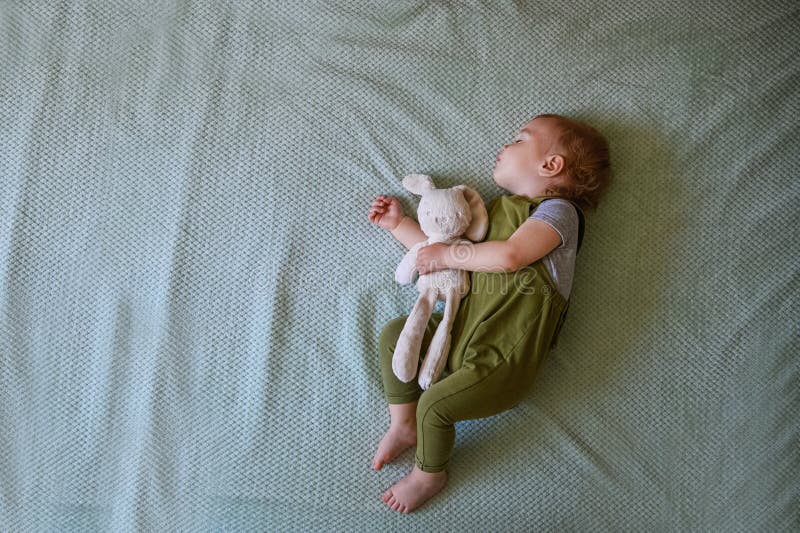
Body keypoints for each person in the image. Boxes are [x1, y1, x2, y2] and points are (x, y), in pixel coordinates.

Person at [366, 113, 611, 514]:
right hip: (457, 334)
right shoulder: (491, 214)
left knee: (436, 406)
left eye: (520, 139)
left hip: (503, 359)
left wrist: (449, 254)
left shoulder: (558, 212)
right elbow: (439, 256)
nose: (506, 145)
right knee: (395, 334)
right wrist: (399, 224)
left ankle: (430, 474)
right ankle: (403, 423)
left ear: (551, 165)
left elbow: (511, 256)